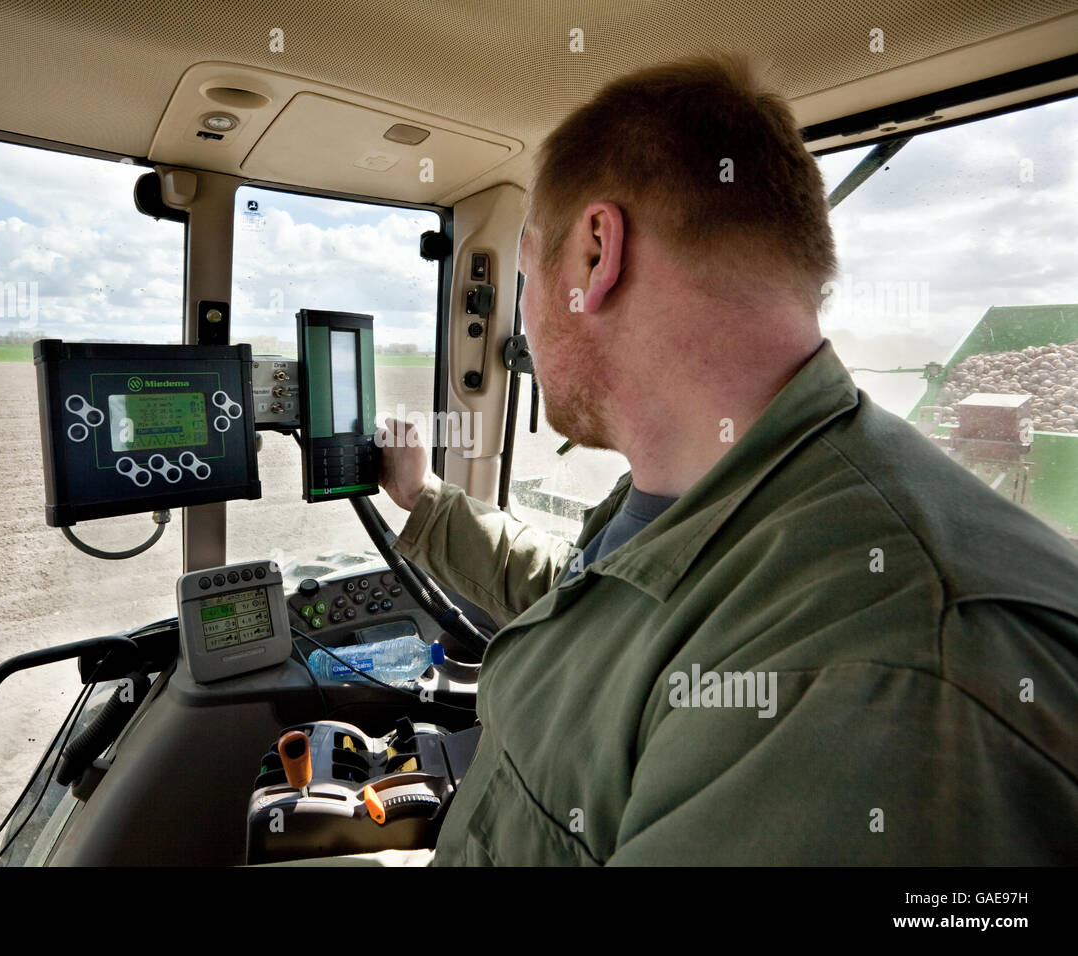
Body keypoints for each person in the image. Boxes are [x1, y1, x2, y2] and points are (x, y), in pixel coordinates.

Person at [378, 54, 1078, 865]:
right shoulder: (716, 484)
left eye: (527, 273)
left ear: (597, 253)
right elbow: (589, 610)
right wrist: (426, 499)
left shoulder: (887, 673)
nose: (524, 323)